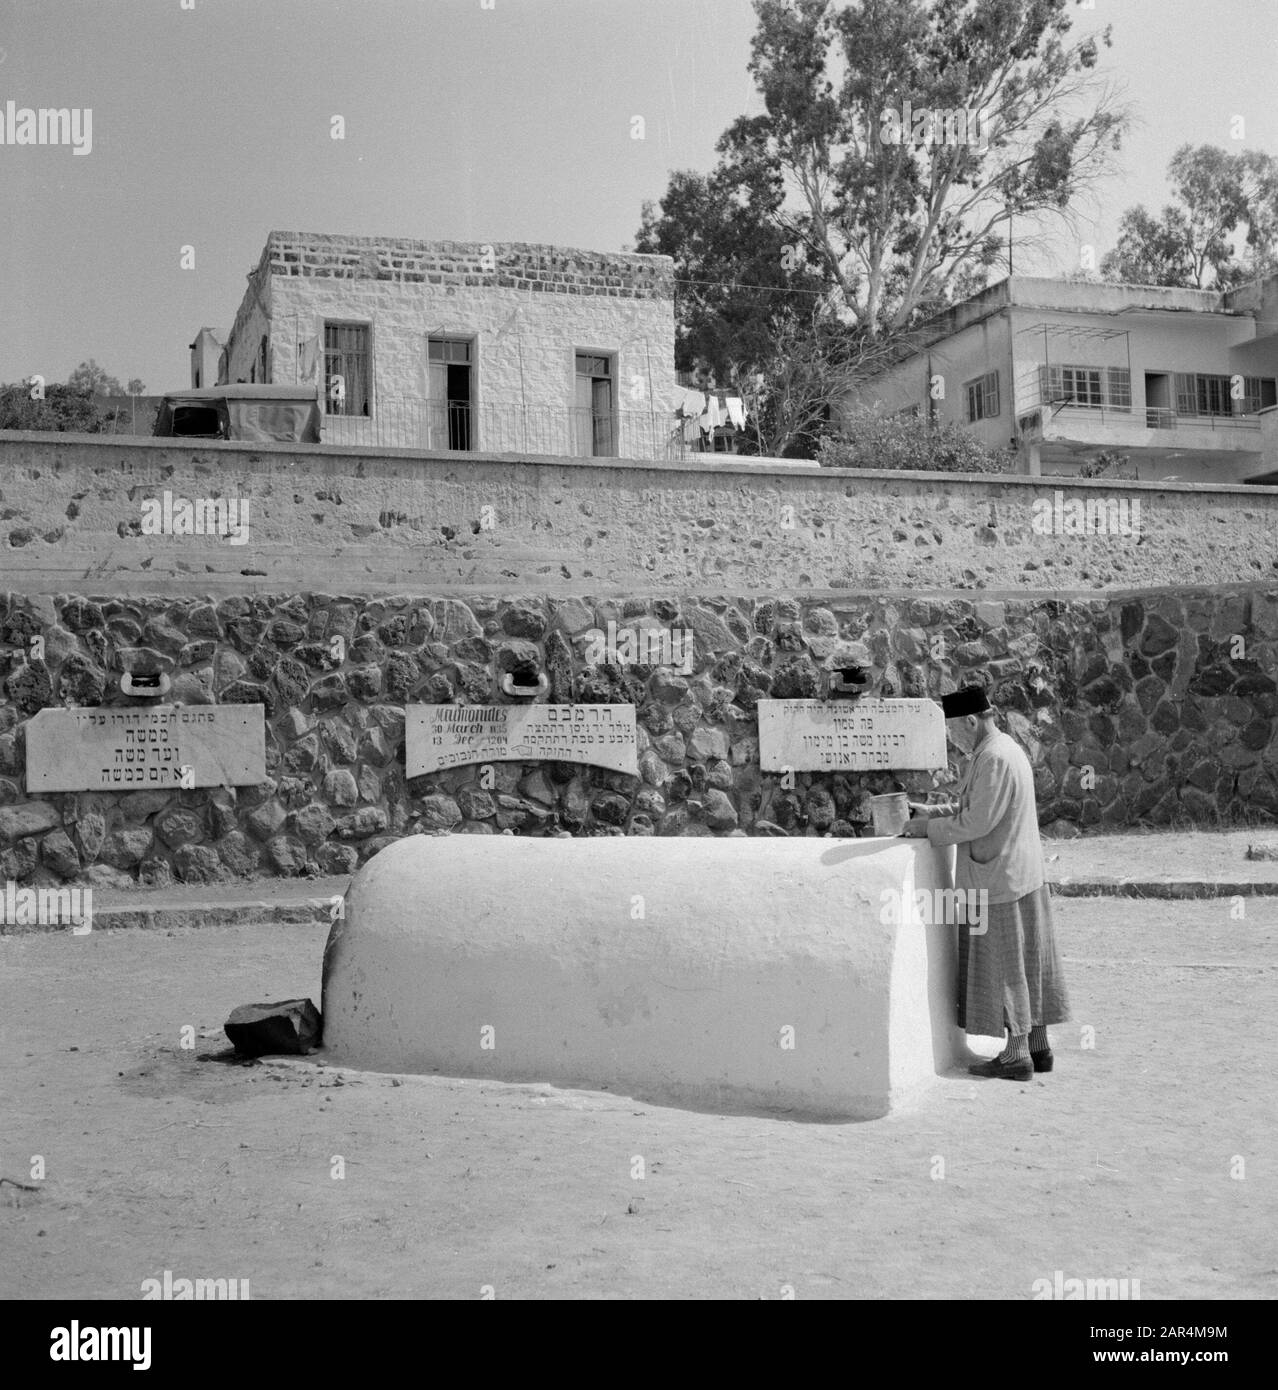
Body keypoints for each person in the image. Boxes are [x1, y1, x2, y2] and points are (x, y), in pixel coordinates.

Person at [899, 684, 1070, 1081]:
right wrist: (933, 811)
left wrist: (929, 829)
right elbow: (978, 807)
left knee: (1004, 968)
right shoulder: (1006, 748)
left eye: (953, 730)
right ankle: (1038, 1048)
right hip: (1022, 874)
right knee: (1029, 965)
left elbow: (977, 821)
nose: (951, 739)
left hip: (998, 880)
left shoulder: (991, 758)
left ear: (971, 721)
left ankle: (1014, 1057)